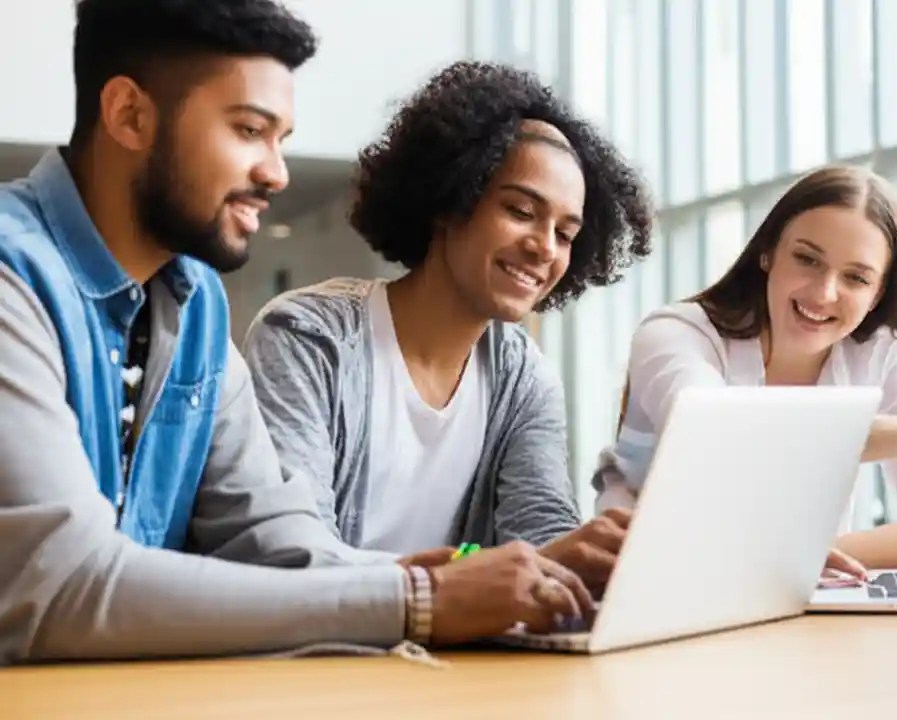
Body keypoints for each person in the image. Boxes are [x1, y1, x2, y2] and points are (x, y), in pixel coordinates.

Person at [0, 0, 591, 664]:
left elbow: (276, 541)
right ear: (129, 114)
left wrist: (423, 583)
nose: (276, 172)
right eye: (250, 130)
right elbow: (60, 585)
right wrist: (416, 599)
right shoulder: (11, 280)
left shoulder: (195, 307)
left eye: (280, 139)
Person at [243, 61, 656, 597]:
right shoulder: (307, 337)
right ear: (450, 201)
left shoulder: (522, 376)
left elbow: (542, 533)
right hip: (322, 661)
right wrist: (463, 576)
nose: (545, 246)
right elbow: (294, 554)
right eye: (520, 210)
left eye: (565, 231)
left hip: (454, 666)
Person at [595, 165, 897, 570]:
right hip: (653, 602)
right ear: (767, 253)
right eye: (807, 260)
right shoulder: (676, 335)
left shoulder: (875, 356)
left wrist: (806, 562)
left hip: (789, 618)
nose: (823, 293)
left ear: (877, 295)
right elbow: (720, 433)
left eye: (855, 278)